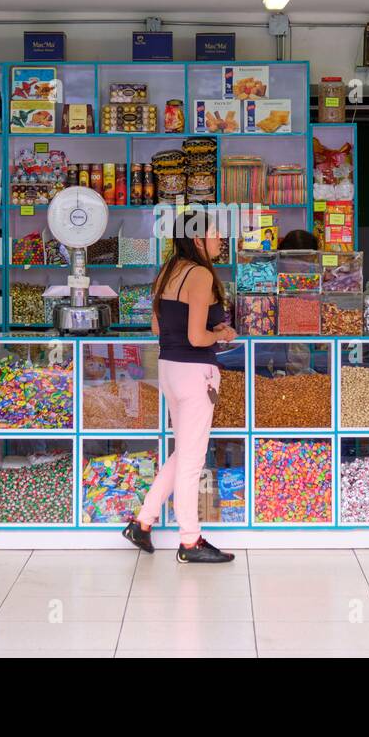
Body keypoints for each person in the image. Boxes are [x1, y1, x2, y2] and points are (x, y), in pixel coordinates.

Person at [123, 223, 238, 563]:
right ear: (198, 239)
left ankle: (142, 524)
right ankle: (190, 542)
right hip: (195, 373)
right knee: (191, 461)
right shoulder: (201, 275)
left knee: (183, 453)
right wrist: (223, 334)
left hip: (169, 370)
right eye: (216, 233)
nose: (221, 239)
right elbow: (195, 338)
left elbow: (158, 326)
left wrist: (207, 328)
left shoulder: (168, 271)